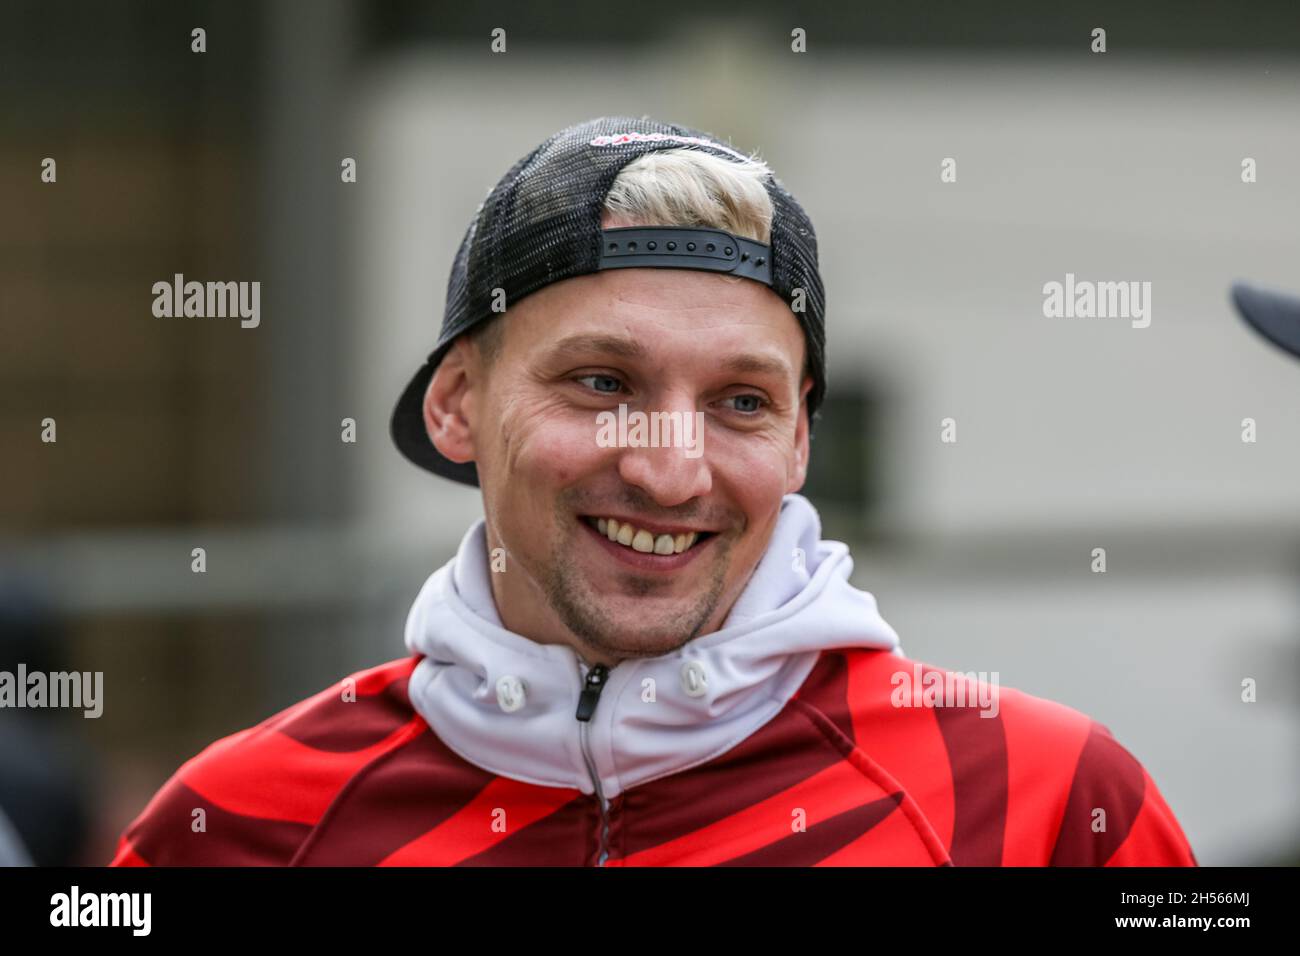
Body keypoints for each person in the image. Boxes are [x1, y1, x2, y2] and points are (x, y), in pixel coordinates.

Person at [111, 116, 1196, 866]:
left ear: (802, 439)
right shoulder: (237, 818)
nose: (670, 467)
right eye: (601, 381)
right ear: (454, 405)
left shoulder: (1049, 800)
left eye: (740, 402)